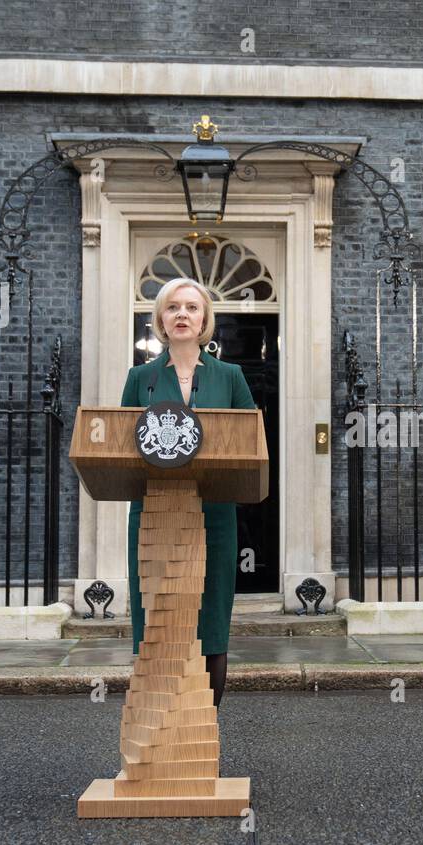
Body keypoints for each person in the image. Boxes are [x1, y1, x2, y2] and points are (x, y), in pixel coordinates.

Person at [120, 276, 257, 707]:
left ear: (204, 320)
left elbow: (251, 441)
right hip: (154, 515)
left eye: (192, 307)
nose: (182, 314)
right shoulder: (139, 377)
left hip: (213, 516)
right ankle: (159, 728)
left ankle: (203, 727)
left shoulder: (230, 376)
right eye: (173, 307)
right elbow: (123, 446)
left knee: (210, 618)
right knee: (157, 619)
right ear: (161, 318)